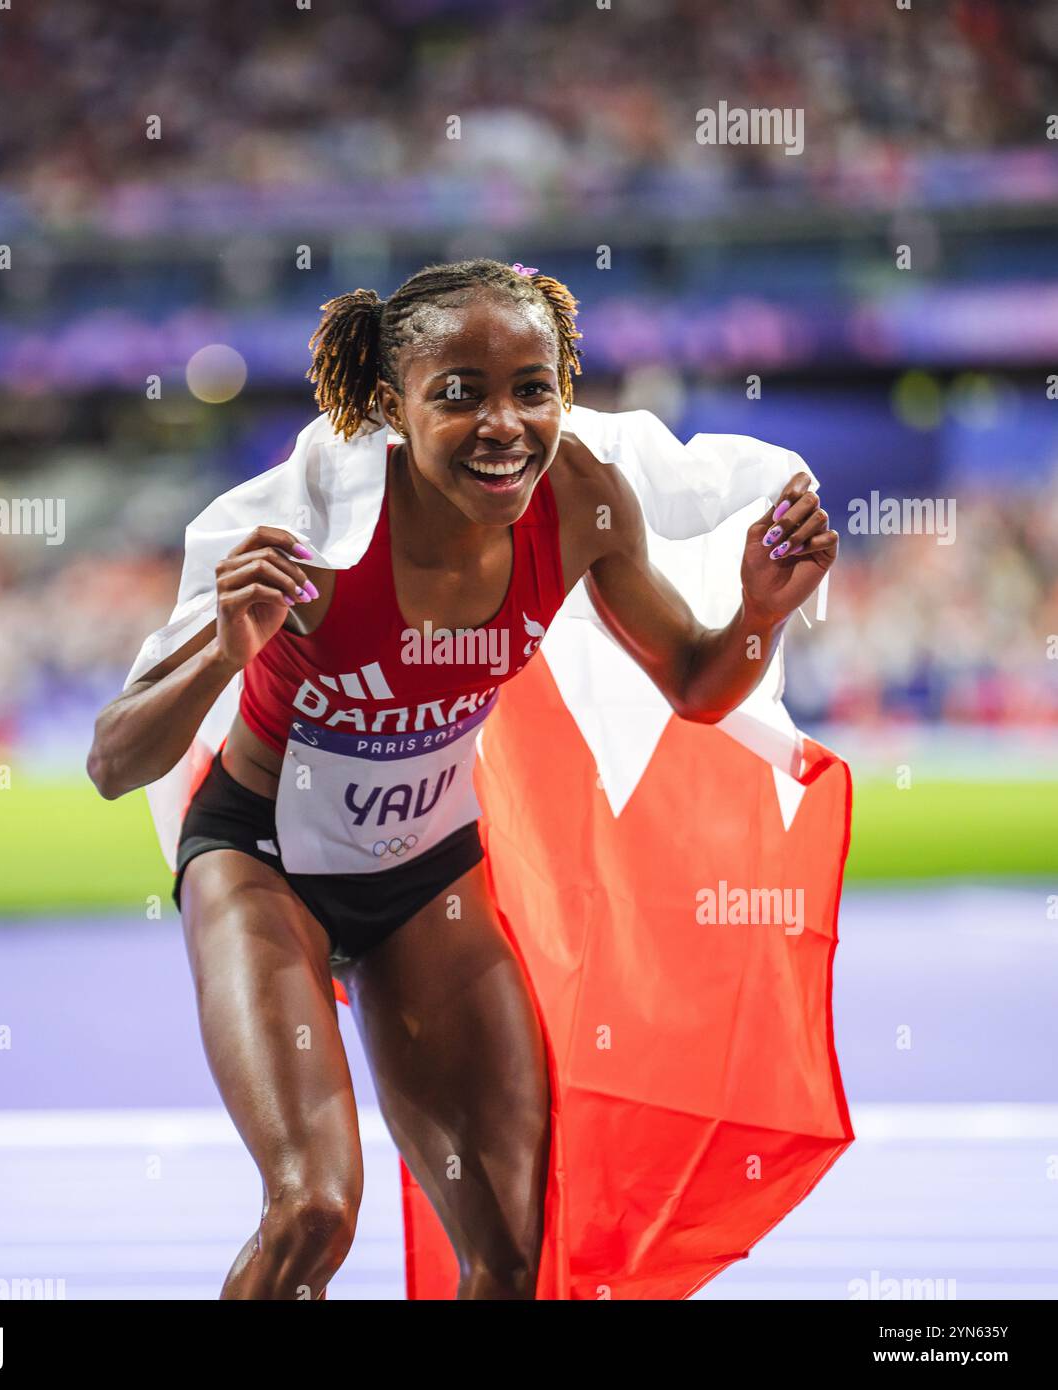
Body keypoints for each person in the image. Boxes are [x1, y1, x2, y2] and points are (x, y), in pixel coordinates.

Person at [86, 257, 838, 1300]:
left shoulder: (579, 501)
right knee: (312, 1210)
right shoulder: (315, 532)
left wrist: (760, 614)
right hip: (265, 866)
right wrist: (222, 646)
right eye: (460, 394)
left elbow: (700, 688)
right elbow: (113, 762)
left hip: (428, 879)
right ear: (391, 407)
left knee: (510, 1252)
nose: (505, 424)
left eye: (533, 388)